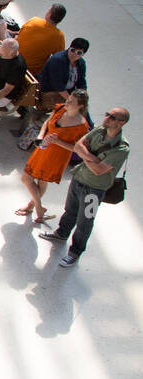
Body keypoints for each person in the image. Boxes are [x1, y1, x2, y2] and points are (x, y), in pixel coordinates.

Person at [39, 108, 130, 267]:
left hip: (94, 189)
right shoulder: (99, 131)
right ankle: (62, 233)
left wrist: (84, 154)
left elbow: (99, 170)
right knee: (70, 210)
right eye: (107, 113)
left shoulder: (121, 147)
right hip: (79, 178)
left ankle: (75, 252)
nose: (107, 117)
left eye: (112, 117)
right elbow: (78, 146)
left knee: (85, 222)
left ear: (121, 123)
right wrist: (91, 157)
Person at [17, 90, 90, 224]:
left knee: (34, 179)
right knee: (32, 179)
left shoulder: (81, 126)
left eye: (71, 102)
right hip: (44, 148)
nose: (67, 102)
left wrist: (58, 142)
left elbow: (78, 149)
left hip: (57, 155)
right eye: (68, 99)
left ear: (80, 106)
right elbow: (47, 122)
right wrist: (40, 136)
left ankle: (36, 207)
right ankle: (36, 207)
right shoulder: (61, 108)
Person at [16, 4, 67, 77]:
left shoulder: (34, 20)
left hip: (13, 57)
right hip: (30, 71)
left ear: (49, 14)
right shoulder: (59, 36)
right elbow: (58, 57)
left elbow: (20, 33)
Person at [38, 38, 89, 105]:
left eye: (79, 53)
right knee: (74, 109)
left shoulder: (81, 63)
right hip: (50, 91)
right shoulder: (57, 60)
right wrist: (70, 100)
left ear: (83, 54)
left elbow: (81, 81)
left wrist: (82, 95)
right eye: (73, 50)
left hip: (67, 92)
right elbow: (57, 84)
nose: (74, 54)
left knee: (82, 109)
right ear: (69, 48)